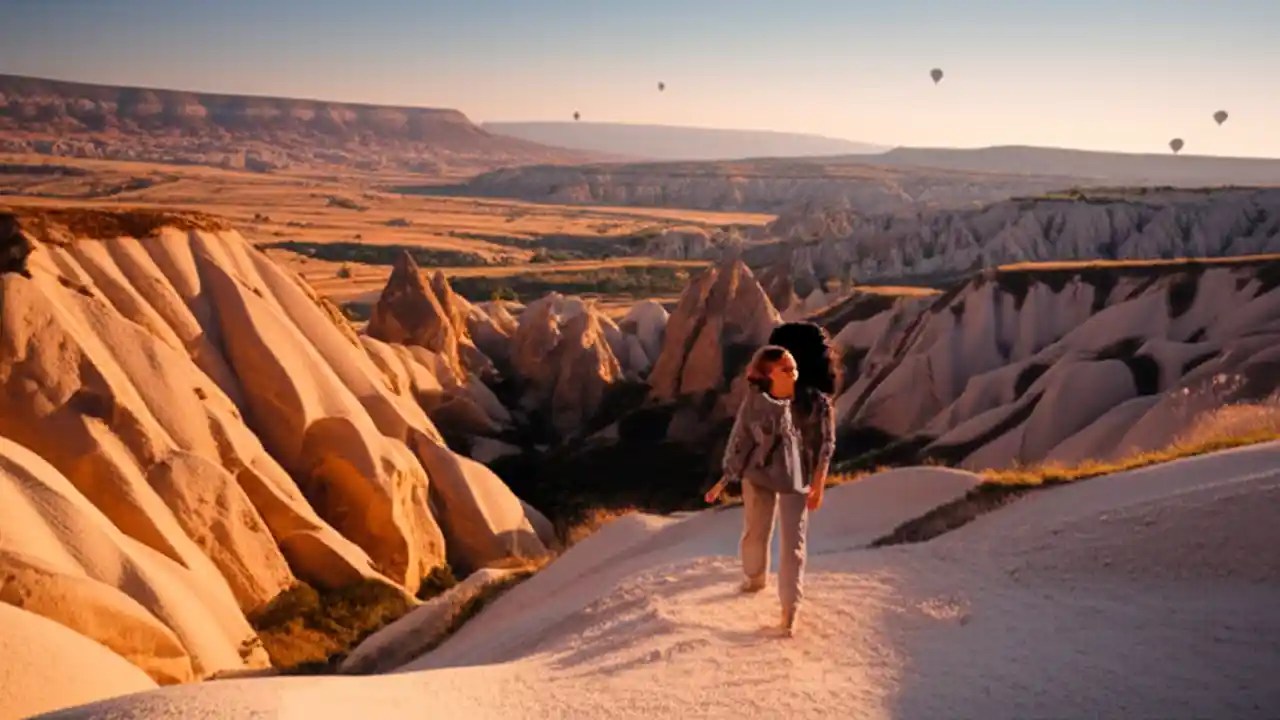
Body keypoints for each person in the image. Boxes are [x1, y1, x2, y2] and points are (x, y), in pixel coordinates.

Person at [704, 336, 836, 637]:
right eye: (785, 370)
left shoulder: (816, 403)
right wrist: (725, 478)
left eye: (793, 368)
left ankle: (790, 610)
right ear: (767, 375)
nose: (793, 373)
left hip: (798, 477)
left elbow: (826, 444)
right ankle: (754, 577)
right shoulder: (755, 402)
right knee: (755, 531)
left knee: (793, 544)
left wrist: (819, 481)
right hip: (759, 474)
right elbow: (741, 440)